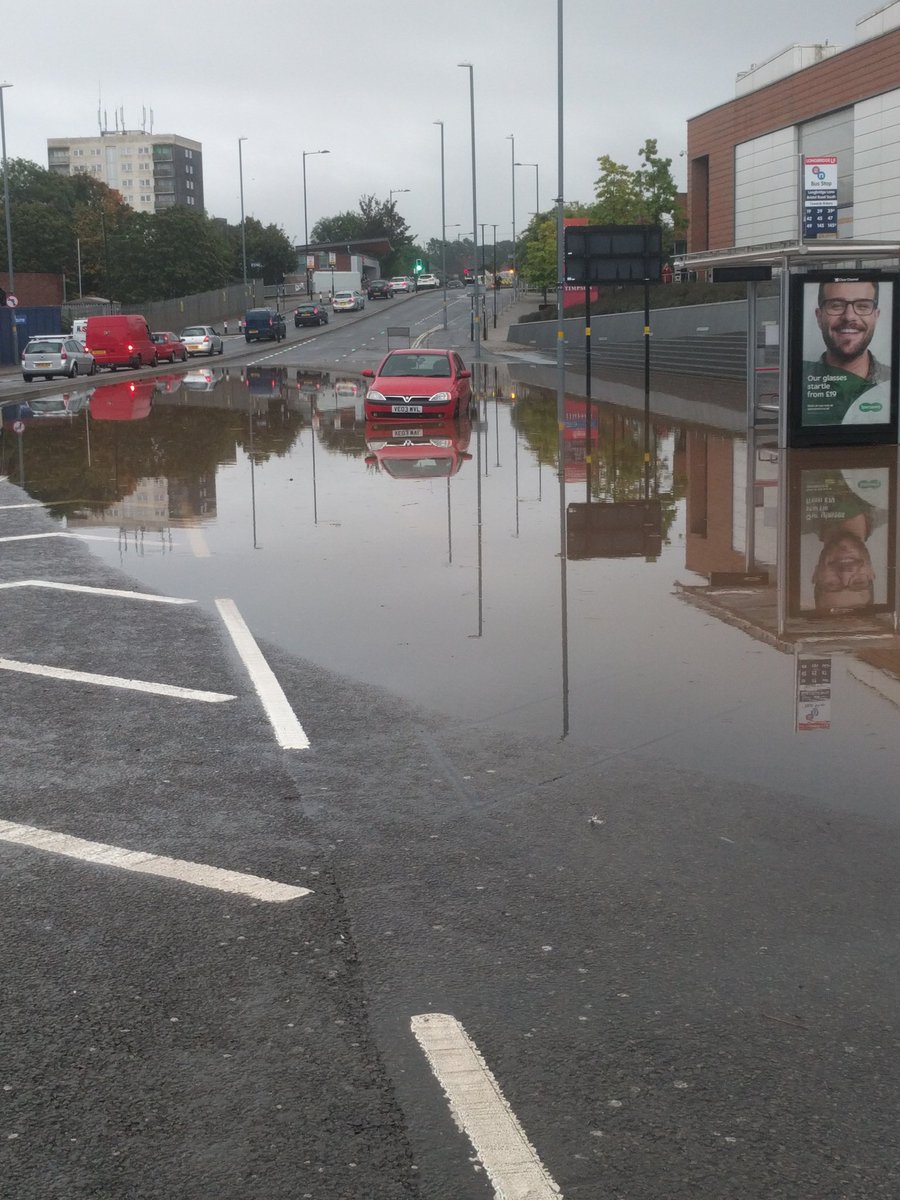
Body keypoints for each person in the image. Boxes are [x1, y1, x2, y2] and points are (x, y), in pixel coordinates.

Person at [801, 279, 890, 426]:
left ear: (876, 316)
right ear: (819, 316)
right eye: (836, 305)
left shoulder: (893, 381)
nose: (849, 317)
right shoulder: (797, 382)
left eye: (862, 306)